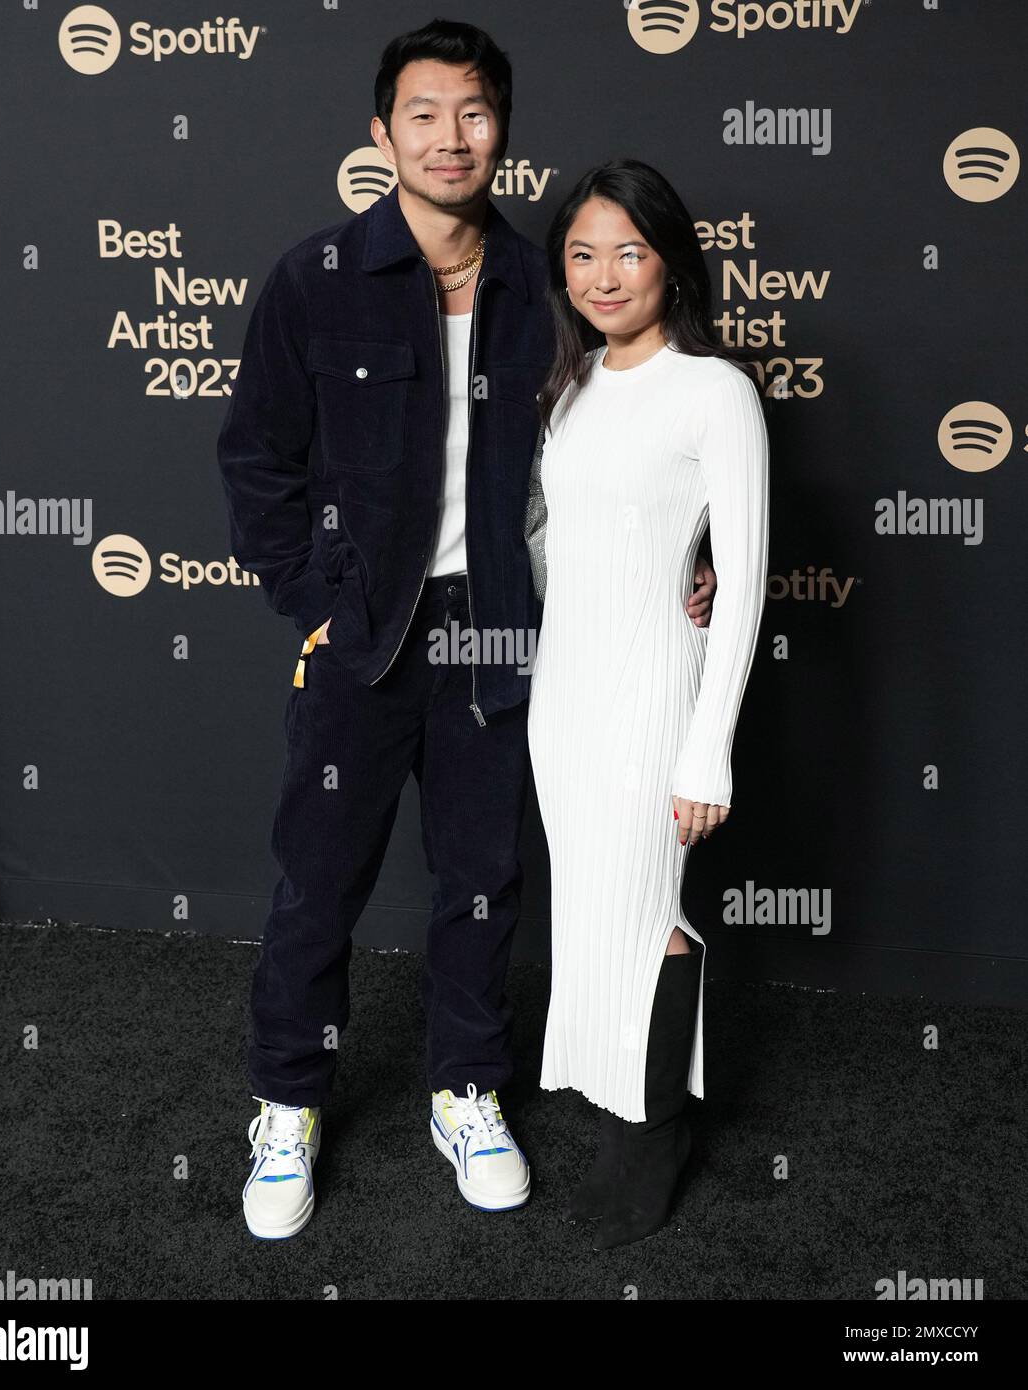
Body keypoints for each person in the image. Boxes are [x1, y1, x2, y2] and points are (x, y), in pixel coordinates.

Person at [218, 19, 718, 1241]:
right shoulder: (313, 280)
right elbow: (256, 459)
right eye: (425, 113)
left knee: (484, 881)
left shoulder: (541, 285)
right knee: (315, 883)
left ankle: (466, 1089)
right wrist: (321, 605)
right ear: (381, 133)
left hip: (499, 632)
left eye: (475, 113)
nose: (452, 137)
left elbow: (624, 436)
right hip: (366, 635)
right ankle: (286, 1103)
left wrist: (683, 552)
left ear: (503, 128)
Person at [524, 159, 770, 1250]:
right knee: (591, 909)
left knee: (650, 915)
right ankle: (619, 1099)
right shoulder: (569, 388)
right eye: (582, 253)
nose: (604, 274)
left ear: (670, 260)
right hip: (563, 694)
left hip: (653, 693)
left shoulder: (713, 390)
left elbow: (747, 572)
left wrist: (705, 747)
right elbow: (552, 543)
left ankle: (653, 1130)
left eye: (628, 250)